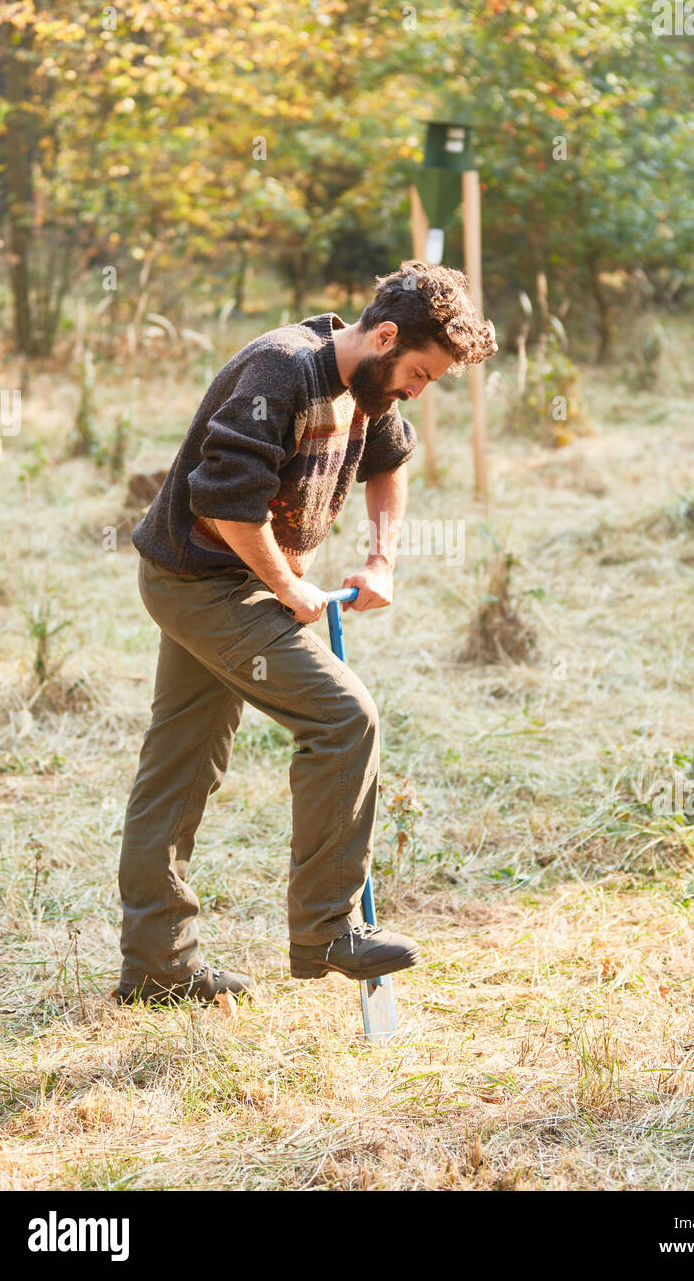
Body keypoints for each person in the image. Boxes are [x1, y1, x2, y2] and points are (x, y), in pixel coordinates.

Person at [114, 260, 497, 1005]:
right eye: (419, 372)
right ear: (385, 336)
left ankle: (157, 968)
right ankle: (327, 927)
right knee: (343, 718)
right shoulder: (279, 371)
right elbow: (224, 499)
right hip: (202, 584)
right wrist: (288, 586)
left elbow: (391, 462)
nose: (417, 389)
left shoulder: (368, 385)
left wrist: (380, 558)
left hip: (234, 583)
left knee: (180, 767)